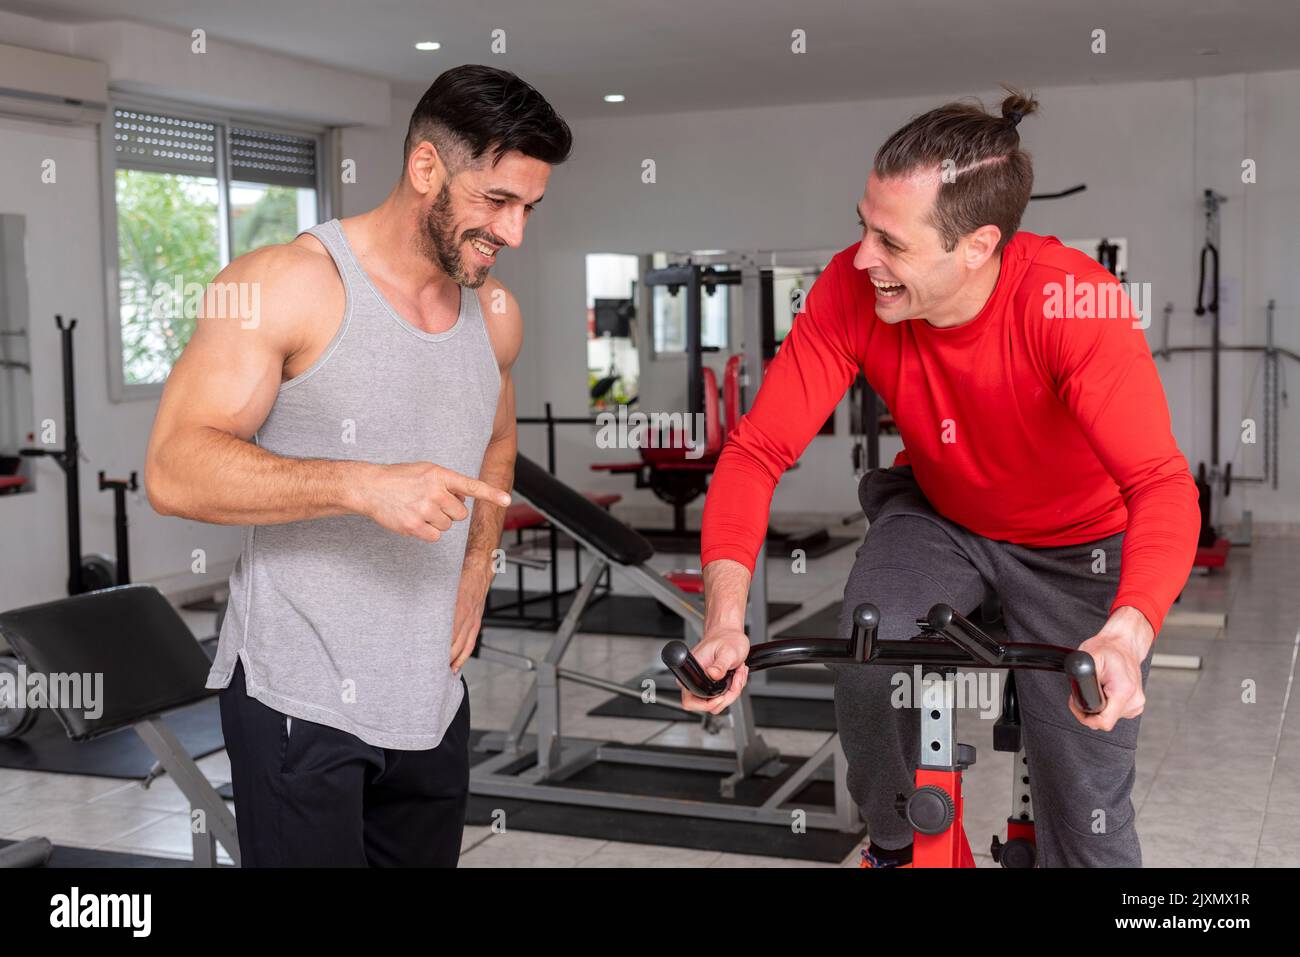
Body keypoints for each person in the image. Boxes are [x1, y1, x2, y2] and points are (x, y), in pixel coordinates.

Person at [681, 90, 1199, 868]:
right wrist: (724, 619)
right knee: (866, 652)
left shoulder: (1071, 303)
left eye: (890, 241)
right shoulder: (850, 291)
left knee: (1086, 805)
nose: (862, 257)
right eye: (862, 226)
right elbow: (756, 451)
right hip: (939, 514)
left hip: (1079, 548)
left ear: (978, 245)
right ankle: (895, 847)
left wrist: (1128, 631)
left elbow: (1162, 483)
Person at [145, 65, 572, 866]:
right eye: (497, 202)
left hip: (427, 693)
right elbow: (172, 469)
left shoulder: (494, 313)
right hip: (296, 693)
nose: (514, 232)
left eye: (528, 209)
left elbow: (495, 439)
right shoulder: (287, 284)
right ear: (425, 171)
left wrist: (479, 559)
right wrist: (359, 483)